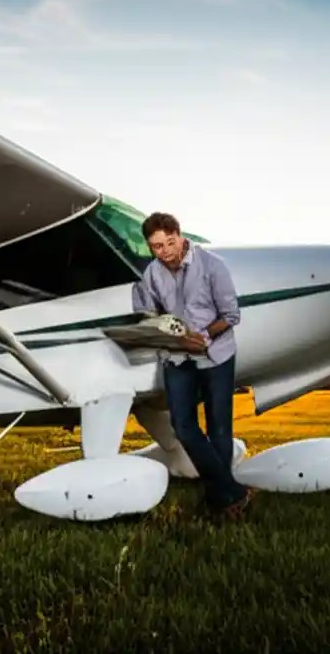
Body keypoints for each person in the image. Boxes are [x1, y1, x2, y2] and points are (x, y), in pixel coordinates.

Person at [131, 212, 253, 518]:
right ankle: (232, 492)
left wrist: (204, 334)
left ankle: (219, 502)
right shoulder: (151, 274)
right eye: (156, 247)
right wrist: (166, 330)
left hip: (216, 355)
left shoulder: (213, 266)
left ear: (179, 235)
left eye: (168, 243)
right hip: (176, 357)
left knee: (219, 430)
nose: (165, 252)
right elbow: (146, 313)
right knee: (184, 427)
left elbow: (231, 315)